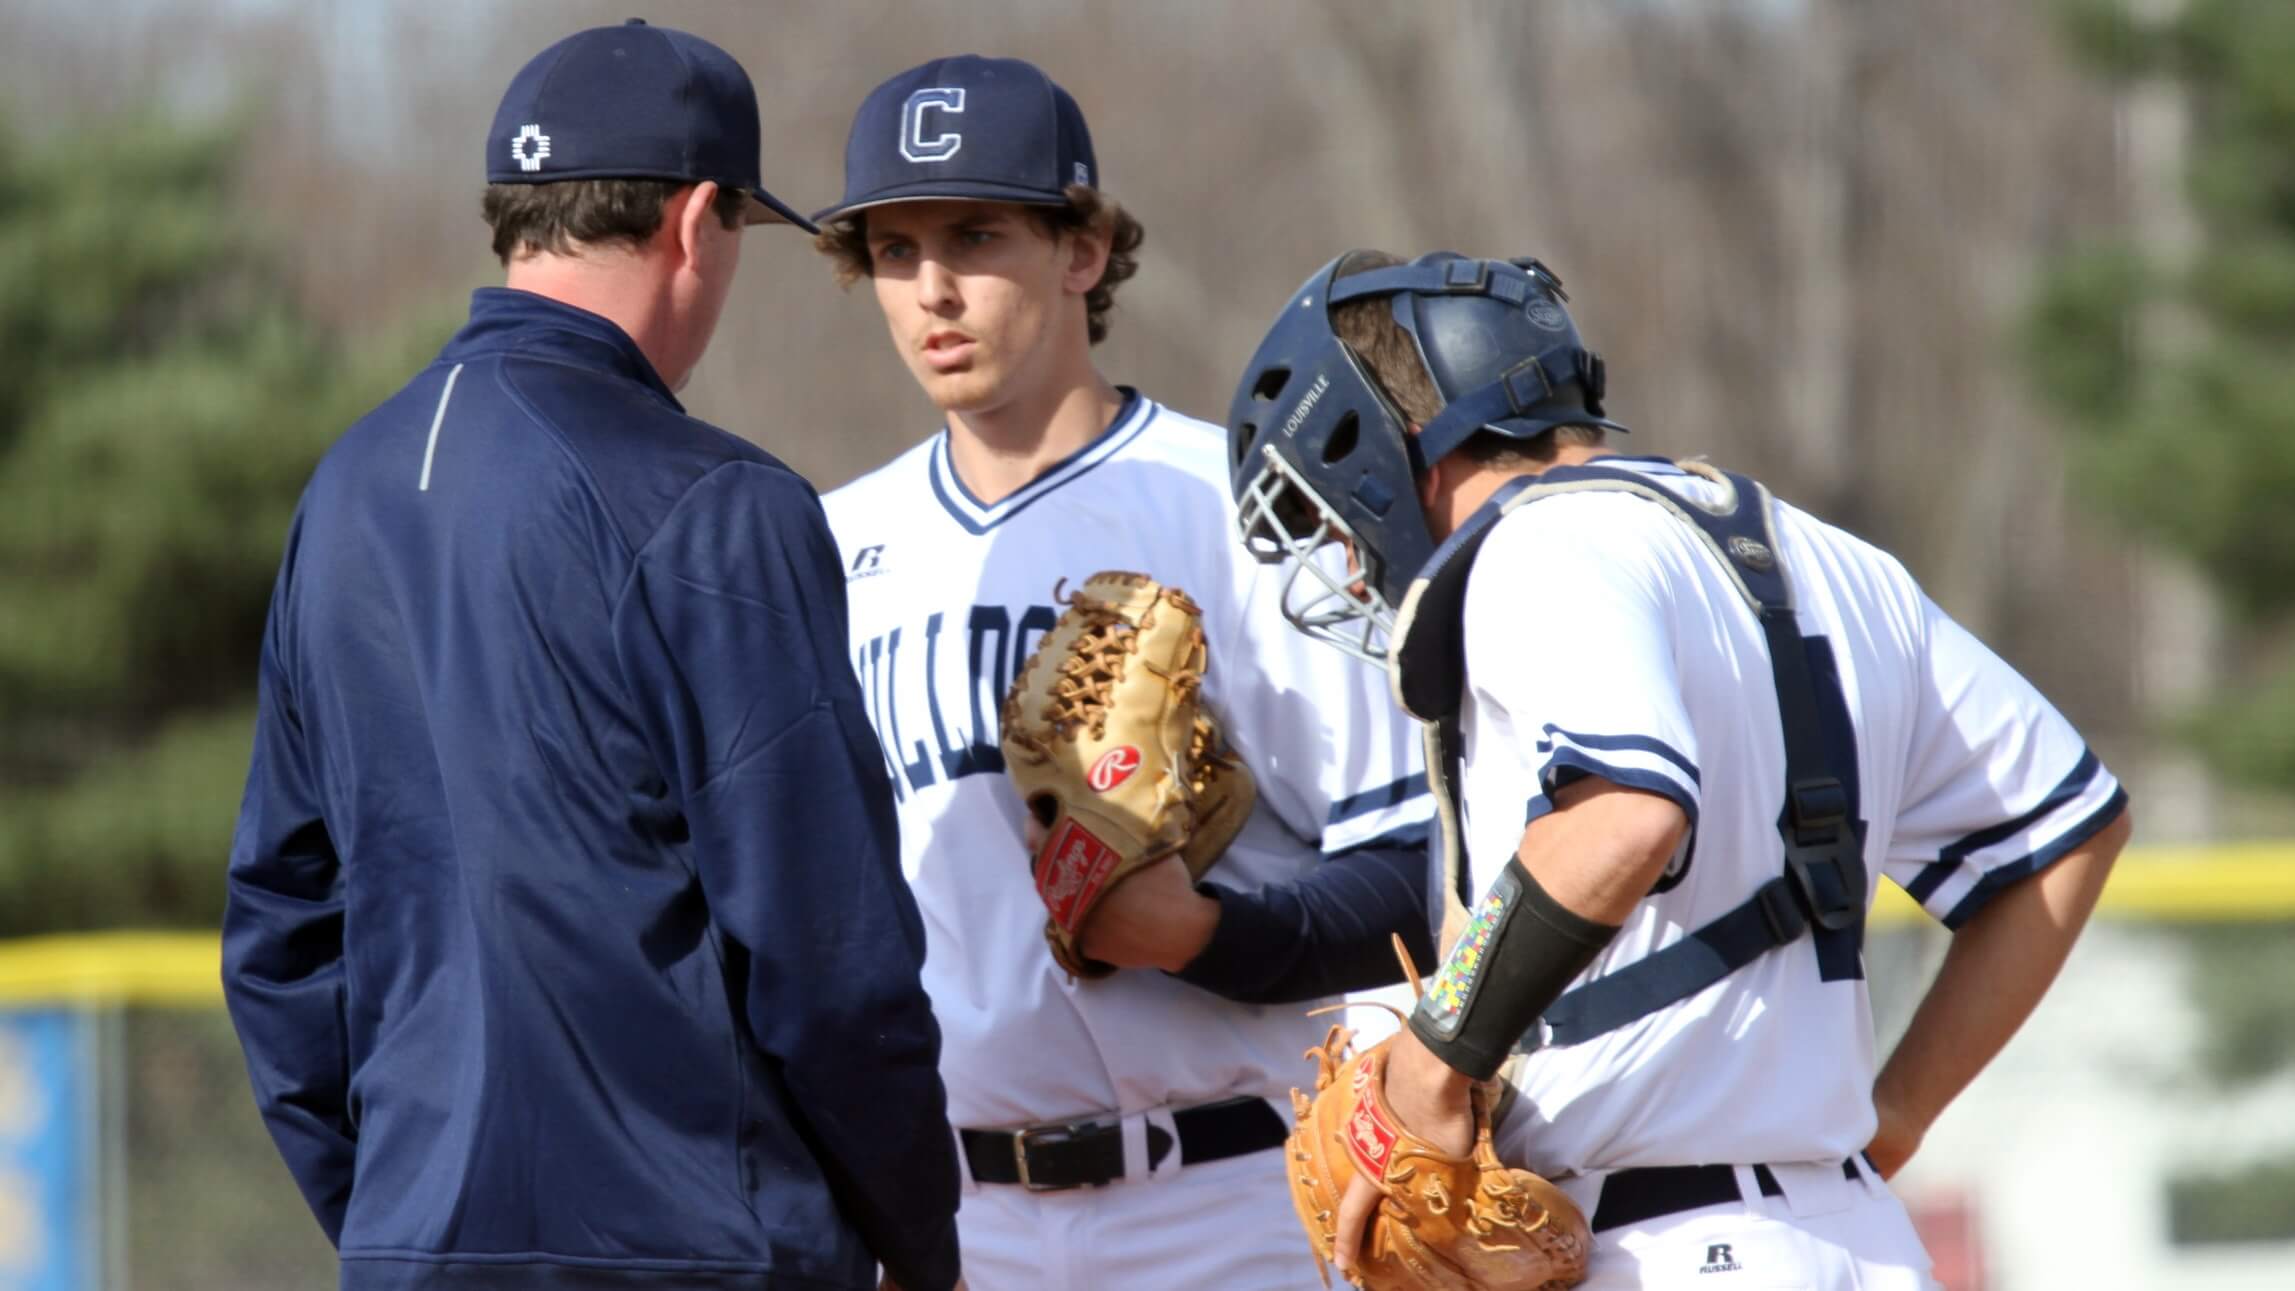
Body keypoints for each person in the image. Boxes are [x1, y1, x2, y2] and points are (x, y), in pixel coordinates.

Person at [1225, 249, 2132, 1289]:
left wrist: (1437, 1056)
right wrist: (1902, 1111)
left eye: (1332, 511)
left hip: (1661, 1246)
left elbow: (1625, 817)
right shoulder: (1824, 557)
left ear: (1390, 454)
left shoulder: (1534, 548)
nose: (1345, 559)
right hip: (1858, 1240)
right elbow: (2066, 836)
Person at [220, 21, 961, 1291]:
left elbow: (281, 940)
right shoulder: (715, 503)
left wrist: (394, 1214)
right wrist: (920, 1236)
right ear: (693, 222)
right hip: (700, 1255)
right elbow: (826, 963)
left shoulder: (343, 492)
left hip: (421, 1250)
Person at [806, 56, 1437, 1290]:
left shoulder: (1245, 514)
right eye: (893, 248)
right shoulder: (826, 549)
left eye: (977, 235)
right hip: (949, 1220)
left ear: (1083, 250)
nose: (933, 288)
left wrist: (1206, 936)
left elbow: (1426, 876)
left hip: (1222, 1201)